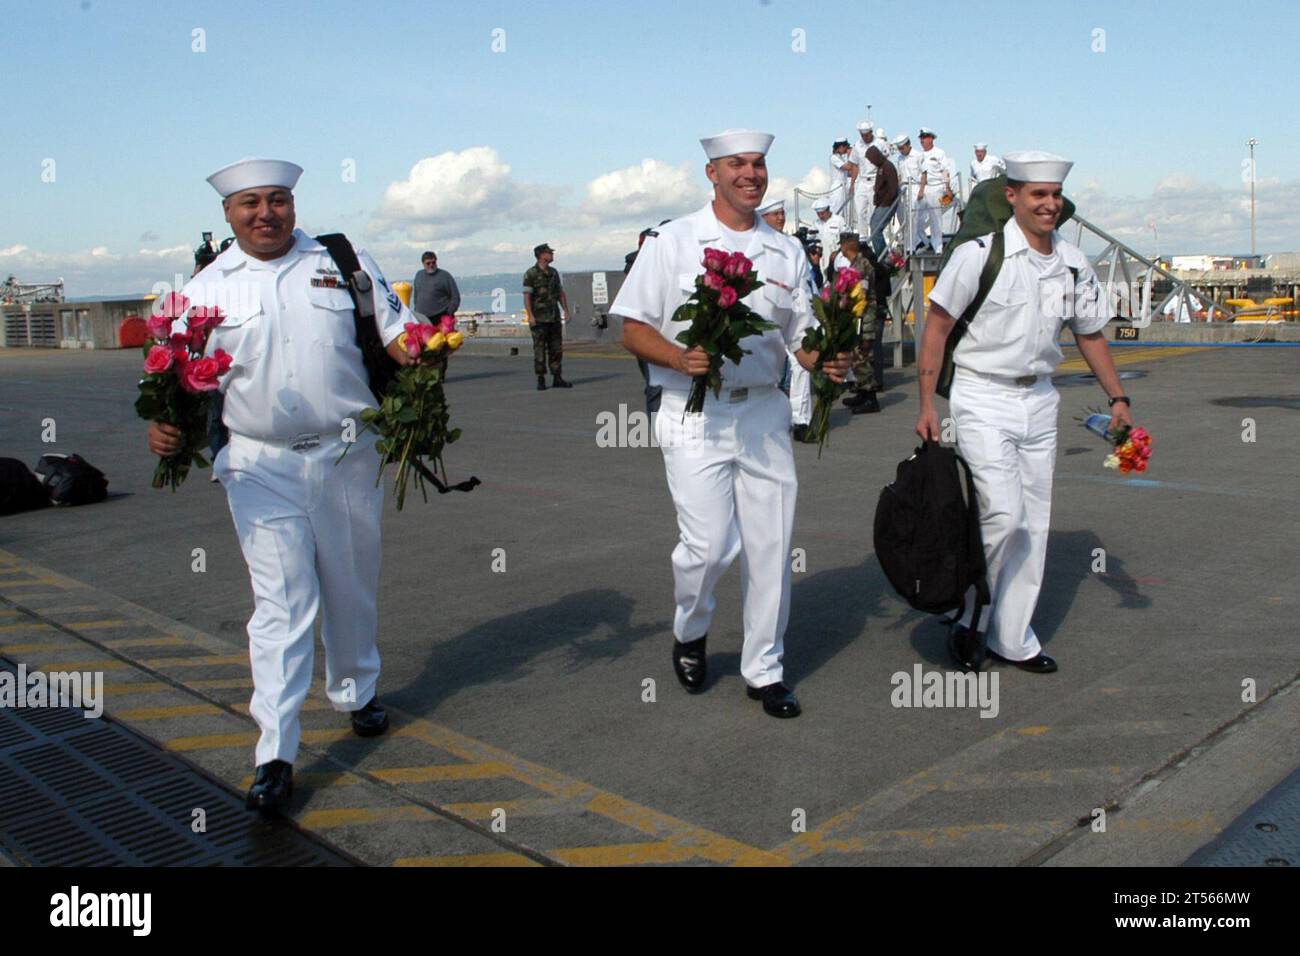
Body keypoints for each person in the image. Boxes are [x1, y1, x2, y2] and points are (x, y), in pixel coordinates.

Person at [146, 158, 415, 812]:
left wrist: (429, 351)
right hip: (259, 465)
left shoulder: (342, 260)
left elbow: (398, 335)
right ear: (228, 215)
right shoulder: (203, 289)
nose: (266, 213)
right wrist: (163, 424)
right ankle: (276, 751)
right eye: (250, 204)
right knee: (282, 606)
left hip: (349, 453)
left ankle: (355, 690)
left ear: (294, 204)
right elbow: (171, 379)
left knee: (350, 584)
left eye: (278, 200)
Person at [612, 128, 852, 718]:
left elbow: (800, 339)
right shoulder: (673, 241)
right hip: (695, 411)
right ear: (712, 174)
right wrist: (676, 356)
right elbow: (632, 326)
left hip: (764, 411)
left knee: (771, 544)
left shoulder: (786, 251)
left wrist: (830, 357)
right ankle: (690, 628)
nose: (751, 173)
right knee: (710, 546)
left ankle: (764, 668)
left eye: (760, 163)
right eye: (738, 164)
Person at [915, 151, 1132, 675]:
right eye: (1038, 195)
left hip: (1039, 399)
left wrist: (1118, 399)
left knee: (1033, 523)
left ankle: (1013, 636)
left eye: (1055, 196)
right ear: (1011, 196)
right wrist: (926, 404)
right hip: (981, 395)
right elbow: (937, 328)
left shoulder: (1074, 264)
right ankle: (970, 616)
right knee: (1002, 514)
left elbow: (1091, 334)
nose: (1049, 205)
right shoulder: (978, 255)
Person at [826, 232, 882, 415]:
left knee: (862, 356)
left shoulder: (862, 265)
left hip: (865, 316)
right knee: (857, 356)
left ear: (846, 246)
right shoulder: (855, 264)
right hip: (858, 316)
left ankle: (870, 398)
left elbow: (862, 296)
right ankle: (862, 392)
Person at [522, 243, 573, 390]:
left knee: (556, 348)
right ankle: (541, 378)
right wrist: (530, 316)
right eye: (549, 253)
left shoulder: (554, 273)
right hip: (539, 318)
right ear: (541, 255)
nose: (552, 255)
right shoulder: (530, 274)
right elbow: (527, 296)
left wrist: (566, 311)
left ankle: (557, 377)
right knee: (539, 349)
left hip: (553, 317)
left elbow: (560, 293)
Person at [412, 251, 459, 381]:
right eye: (428, 263)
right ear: (423, 264)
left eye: (433, 262)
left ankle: (440, 375)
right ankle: (427, 374)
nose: (431, 265)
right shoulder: (419, 275)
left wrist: (449, 313)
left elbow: (455, 297)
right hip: (423, 317)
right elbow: (416, 295)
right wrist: (416, 310)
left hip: (441, 316)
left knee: (441, 347)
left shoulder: (445, 276)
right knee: (425, 348)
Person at [914, 127, 951, 253]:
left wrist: (947, 188)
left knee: (936, 219)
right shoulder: (919, 155)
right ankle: (925, 241)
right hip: (922, 187)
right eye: (921, 138)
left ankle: (938, 247)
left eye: (924, 137)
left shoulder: (939, 153)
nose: (922, 140)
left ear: (931, 138)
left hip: (936, 187)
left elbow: (945, 171)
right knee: (916, 218)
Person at [865, 144, 900, 257]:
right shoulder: (881, 167)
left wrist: (886, 203)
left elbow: (893, 188)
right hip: (882, 203)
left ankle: (883, 256)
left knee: (876, 229)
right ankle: (882, 254)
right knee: (873, 226)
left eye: (871, 159)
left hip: (887, 203)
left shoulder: (888, 167)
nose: (871, 162)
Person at [892, 134, 921, 252]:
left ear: (908, 145)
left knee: (913, 216)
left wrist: (922, 189)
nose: (900, 150)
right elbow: (899, 175)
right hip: (903, 187)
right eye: (899, 148)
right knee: (903, 216)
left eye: (902, 148)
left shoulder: (918, 155)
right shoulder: (899, 158)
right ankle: (908, 240)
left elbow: (924, 173)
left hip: (915, 186)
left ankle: (913, 244)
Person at [848, 123, 878, 237]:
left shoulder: (879, 143)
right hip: (862, 180)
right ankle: (863, 237)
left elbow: (884, 163)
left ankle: (874, 236)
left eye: (867, 134)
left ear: (871, 132)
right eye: (862, 135)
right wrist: (852, 184)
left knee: (873, 213)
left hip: (875, 179)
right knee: (860, 211)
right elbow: (855, 165)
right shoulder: (857, 146)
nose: (865, 137)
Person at [812, 197, 847, 265]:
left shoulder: (839, 220)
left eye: (822, 213)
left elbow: (847, 238)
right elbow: (810, 238)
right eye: (818, 214)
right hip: (821, 256)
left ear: (828, 210)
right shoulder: (815, 224)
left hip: (837, 255)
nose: (820, 216)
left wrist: (838, 252)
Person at [828, 138, 856, 218]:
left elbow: (850, 172)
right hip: (838, 187)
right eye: (845, 148)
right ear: (840, 147)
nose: (846, 150)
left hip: (844, 186)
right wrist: (851, 156)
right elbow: (847, 167)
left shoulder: (841, 158)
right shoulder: (833, 158)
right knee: (837, 209)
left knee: (846, 211)